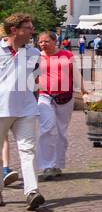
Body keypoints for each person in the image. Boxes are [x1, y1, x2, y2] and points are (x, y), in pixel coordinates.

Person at [0, 13, 45, 210]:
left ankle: (32, 192)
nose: (31, 31)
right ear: (14, 30)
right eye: (27, 28)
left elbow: (33, 78)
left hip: (26, 108)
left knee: (28, 150)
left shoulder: (34, 53)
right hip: (1, 108)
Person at [35, 31, 81, 181]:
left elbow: (75, 74)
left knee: (61, 130)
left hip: (65, 96)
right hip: (44, 95)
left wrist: (84, 89)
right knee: (47, 128)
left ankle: (58, 164)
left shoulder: (66, 55)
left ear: (55, 41)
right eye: (40, 41)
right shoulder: (36, 57)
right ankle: (47, 165)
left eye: (46, 41)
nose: (43, 44)